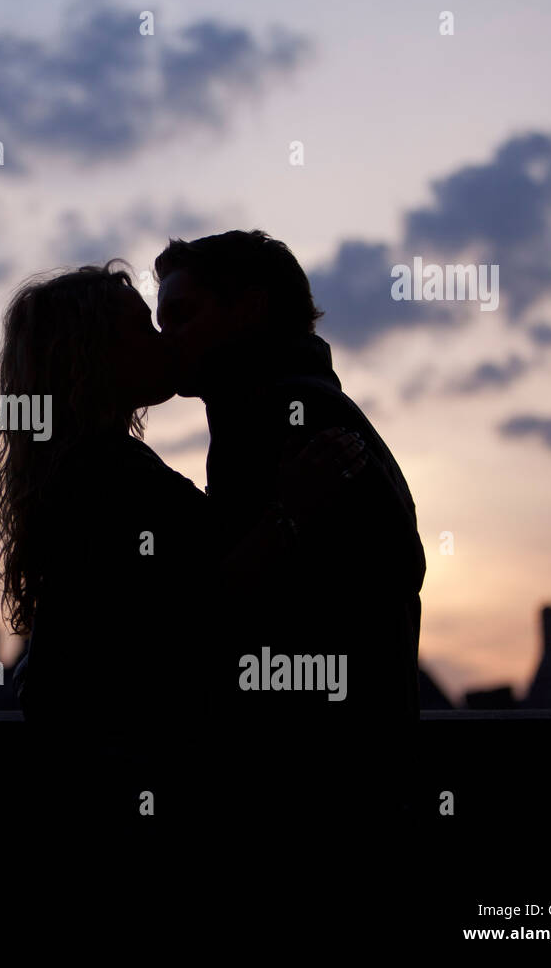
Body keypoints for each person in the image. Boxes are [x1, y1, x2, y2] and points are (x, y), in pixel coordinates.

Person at [0, 262, 367, 818]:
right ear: (94, 356)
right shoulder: (108, 475)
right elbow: (195, 612)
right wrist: (291, 514)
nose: (163, 340)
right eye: (142, 327)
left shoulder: (79, 471)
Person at [155, 229, 426, 824]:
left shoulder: (275, 417)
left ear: (249, 309)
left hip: (304, 791)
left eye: (181, 314)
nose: (164, 336)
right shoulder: (291, 407)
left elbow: (242, 609)